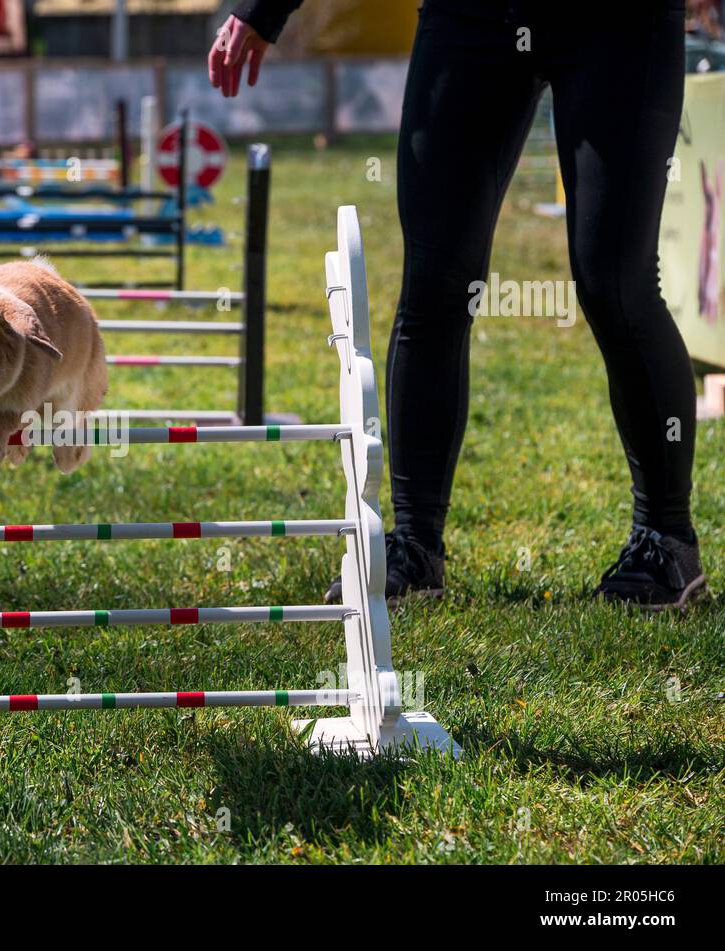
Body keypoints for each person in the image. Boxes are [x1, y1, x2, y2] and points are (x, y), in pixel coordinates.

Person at [210, 0, 706, 610]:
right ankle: (416, 547)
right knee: (436, 280)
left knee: (616, 283)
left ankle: (666, 541)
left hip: (619, 24)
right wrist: (265, 8)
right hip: (473, 16)